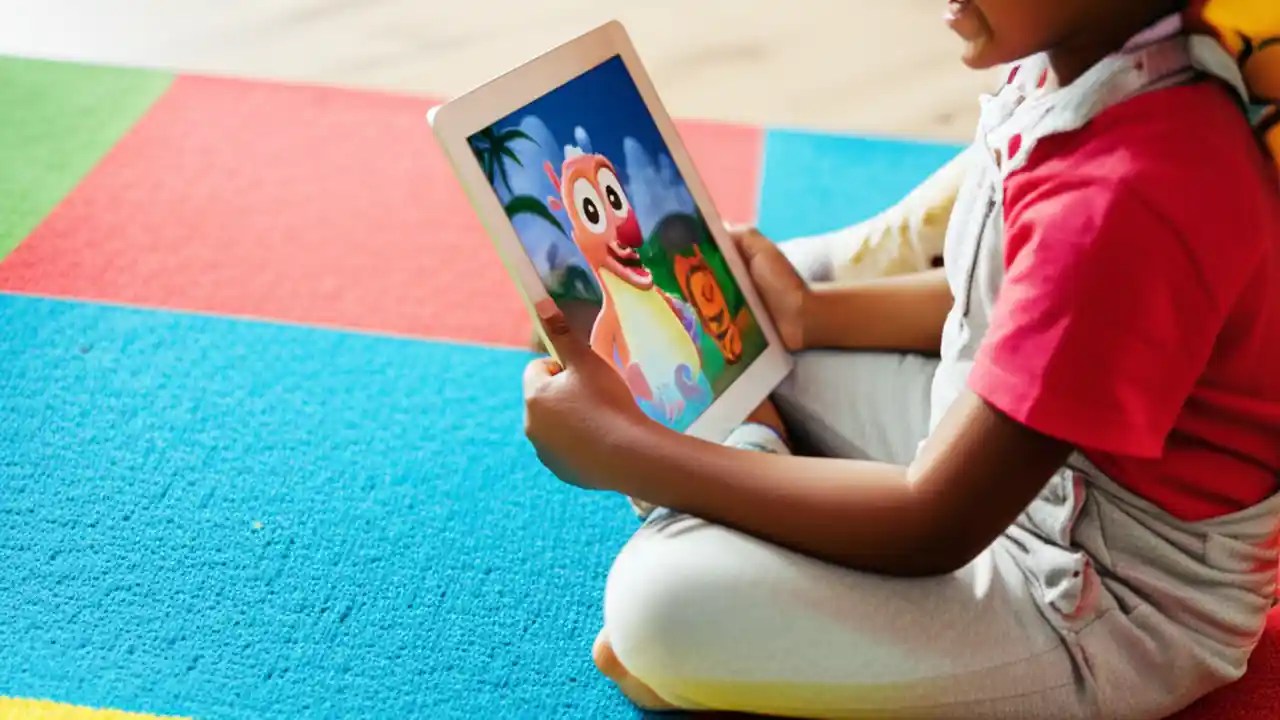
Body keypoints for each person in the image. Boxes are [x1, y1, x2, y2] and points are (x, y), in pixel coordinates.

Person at [521, 0, 1280, 717]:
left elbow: (933, 525)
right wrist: (812, 316)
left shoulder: (1131, 190)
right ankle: (748, 474)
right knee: (743, 350)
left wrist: (628, 451)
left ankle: (743, 475)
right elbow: (1023, 306)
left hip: (1098, 603)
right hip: (1011, 459)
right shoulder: (1081, 70)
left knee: (655, 607)